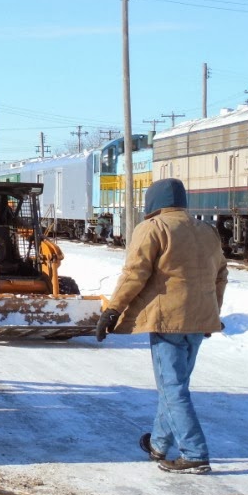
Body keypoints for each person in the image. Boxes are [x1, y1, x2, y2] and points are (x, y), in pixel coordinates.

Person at [95, 178, 228, 474]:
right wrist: (213, 313)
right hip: (199, 320)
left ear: (152, 202)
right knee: (175, 386)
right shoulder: (207, 231)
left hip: (168, 320)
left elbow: (134, 275)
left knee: (172, 388)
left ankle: (194, 453)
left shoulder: (153, 228)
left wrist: (113, 310)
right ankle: (158, 443)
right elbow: (220, 276)